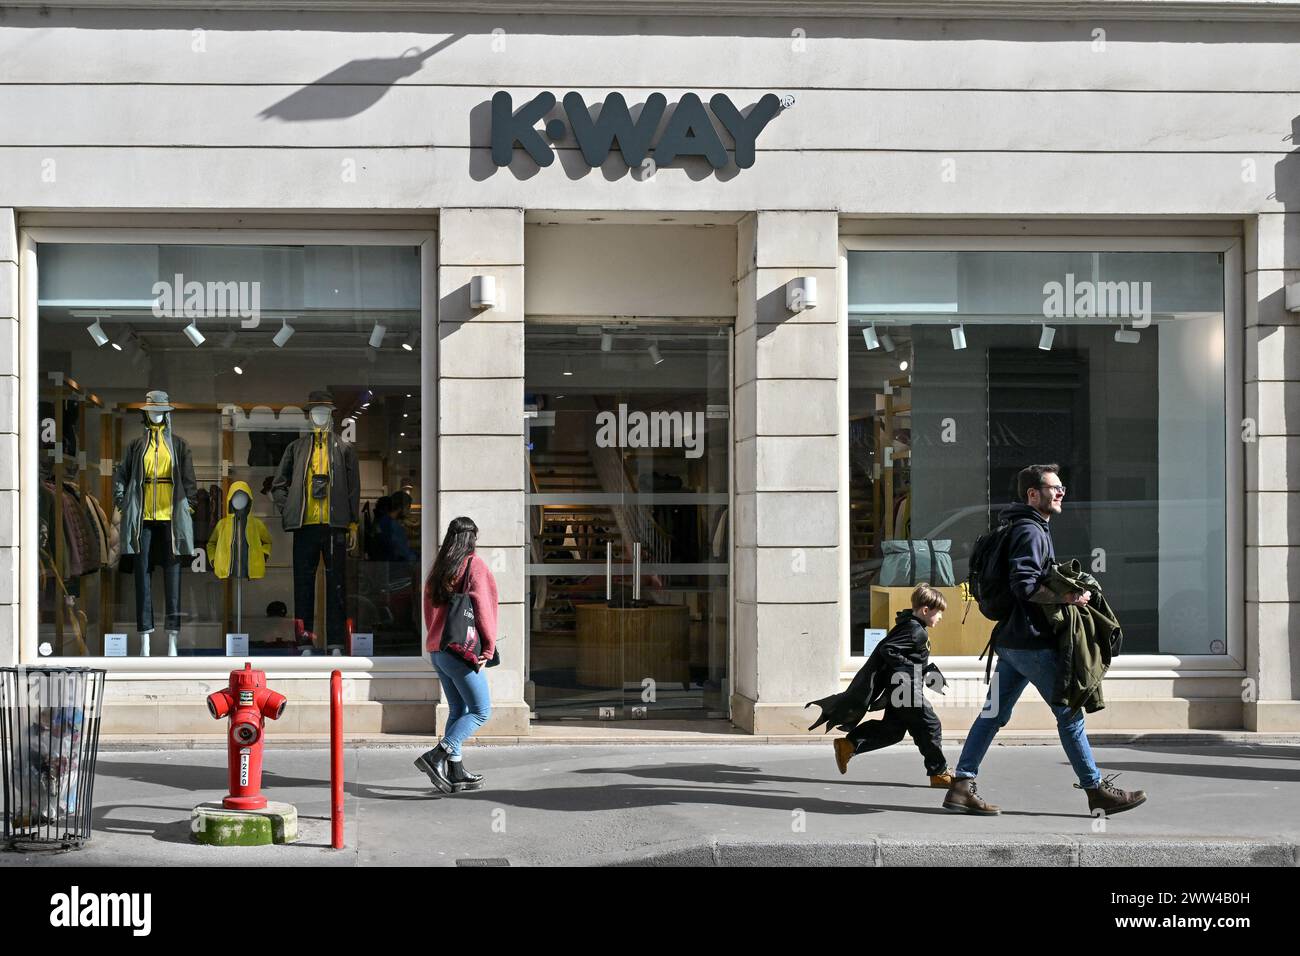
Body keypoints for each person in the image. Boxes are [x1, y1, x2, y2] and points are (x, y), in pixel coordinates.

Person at [943, 464, 1147, 816]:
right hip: (1032, 643)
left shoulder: (1019, 526)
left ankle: (961, 786)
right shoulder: (1031, 531)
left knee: (992, 715)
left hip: (1012, 641)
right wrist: (1068, 597)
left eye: (1062, 487)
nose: (1061, 493)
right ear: (1032, 494)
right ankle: (1095, 790)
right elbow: (1024, 585)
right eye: (1054, 488)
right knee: (1070, 715)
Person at [807, 584, 953, 788]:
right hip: (906, 690)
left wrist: (926, 672)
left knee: (892, 731)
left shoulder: (911, 626)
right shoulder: (915, 629)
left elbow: (906, 654)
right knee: (930, 725)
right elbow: (889, 649)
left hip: (902, 689)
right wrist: (913, 669)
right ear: (926, 610)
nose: (940, 618)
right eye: (939, 613)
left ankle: (849, 744)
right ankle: (939, 772)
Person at [415, 516, 497, 794]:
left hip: (439, 650)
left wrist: (435, 638)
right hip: (460, 652)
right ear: (472, 538)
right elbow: (484, 609)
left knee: (458, 709)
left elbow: (428, 613)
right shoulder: (474, 565)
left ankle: (456, 772)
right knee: (480, 711)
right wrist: (487, 648)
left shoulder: (438, 569)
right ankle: (437, 755)